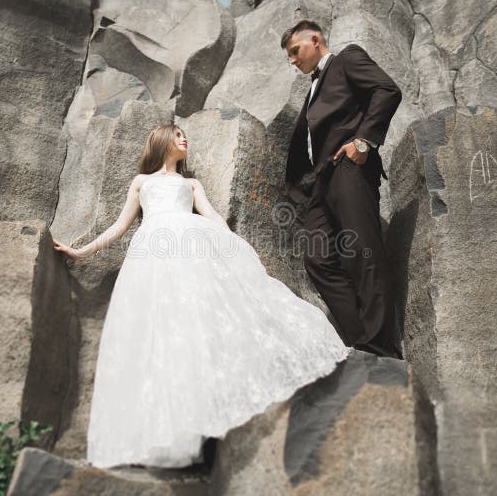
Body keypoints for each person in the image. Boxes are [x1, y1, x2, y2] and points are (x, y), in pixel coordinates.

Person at [52, 124, 353, 469]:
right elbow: (120, 226)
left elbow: (213, 218)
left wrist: (237, 250)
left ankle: (206, 423)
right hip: (151, 256)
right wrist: (81, 252)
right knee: (157, 332)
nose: (185, 140)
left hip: (190, 248)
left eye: (185, 136)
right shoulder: (142, 182)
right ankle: (163, 426)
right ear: (163, 141)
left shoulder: (190, 184)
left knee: (196, 324)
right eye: (178, 135)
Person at [281, 19, 403, 359]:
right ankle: (363, 340)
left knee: (363, 252)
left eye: (295, 51)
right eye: (289, 56)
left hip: (350, 169)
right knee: (318, 260)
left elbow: (387, 90)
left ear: (315, 39)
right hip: (322, 182)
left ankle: (380, 346)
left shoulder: (346, 58)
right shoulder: (312, 89)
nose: (293, 61)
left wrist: (363, 142)